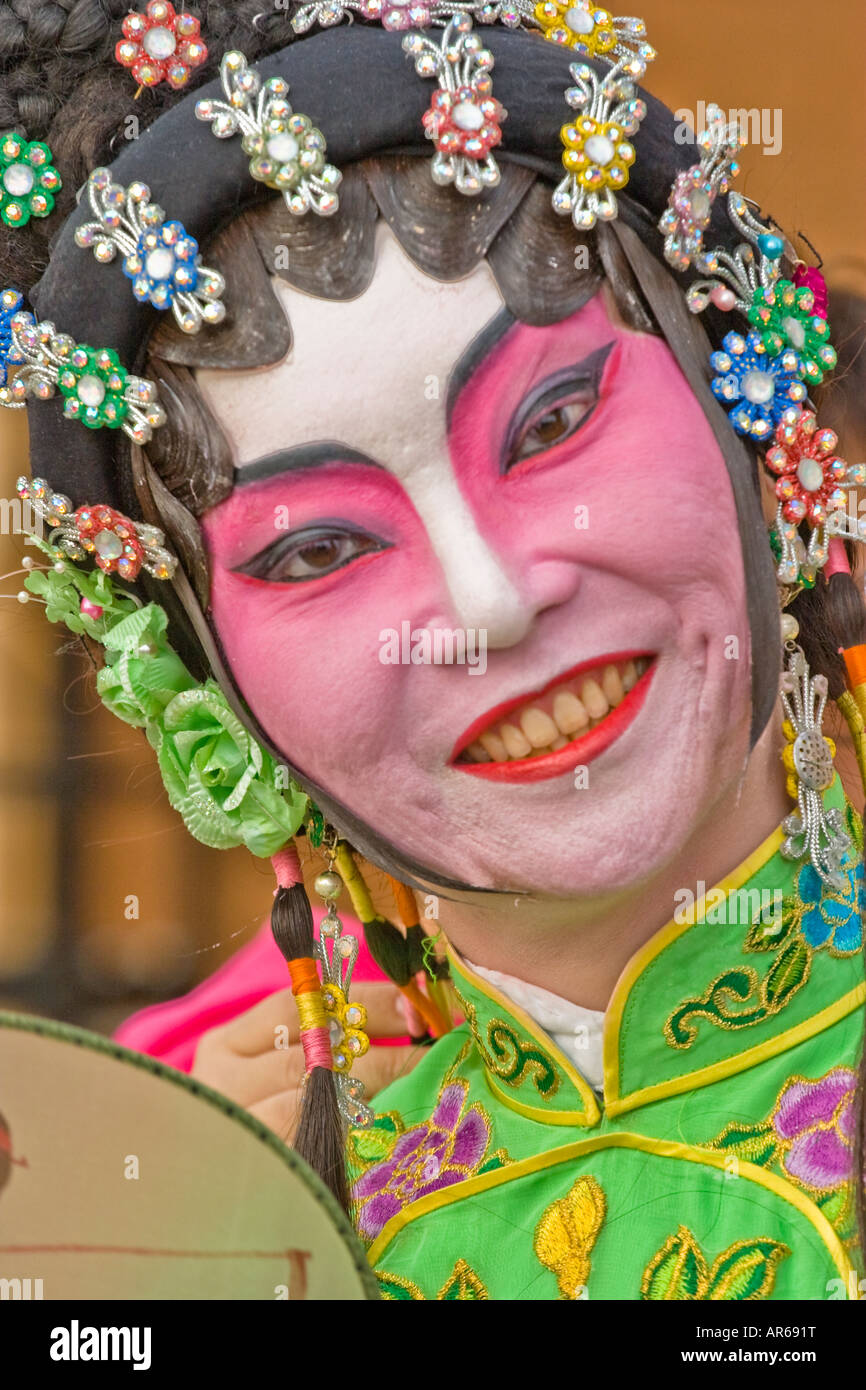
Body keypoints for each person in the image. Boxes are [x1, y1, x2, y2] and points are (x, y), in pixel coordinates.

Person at [1, 0, 863, 1301]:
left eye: (554, 421)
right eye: (313, 551)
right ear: (208, 697)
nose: (488, 599)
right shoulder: (241, 1252)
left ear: (758, 425)